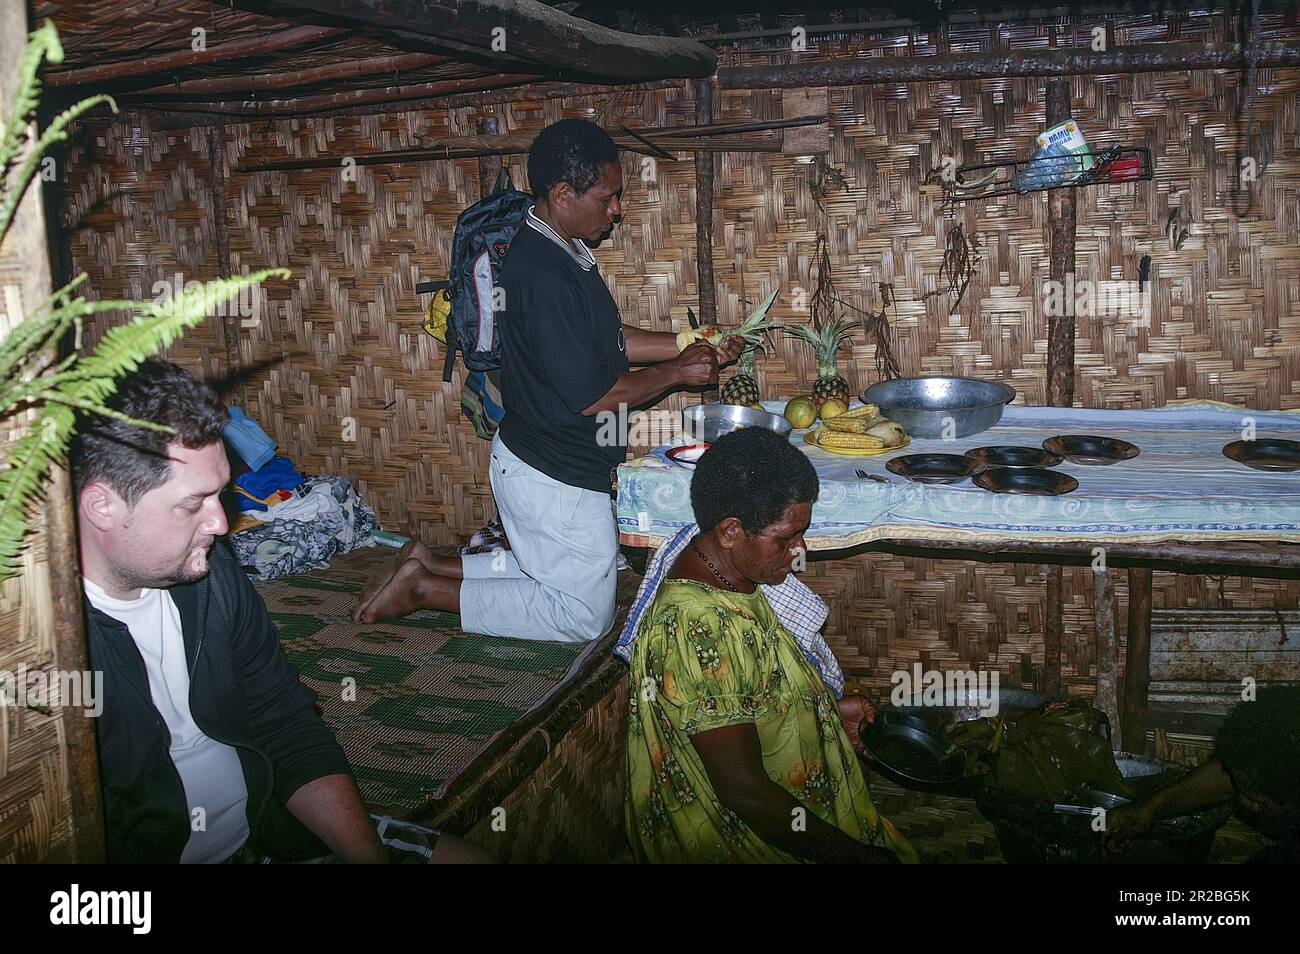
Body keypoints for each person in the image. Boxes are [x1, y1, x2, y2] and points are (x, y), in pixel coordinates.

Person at [72, 359, 488, 863]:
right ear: (102, 507)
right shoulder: (61, 647)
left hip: (268, 825)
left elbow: (282, 720)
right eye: (194, 503)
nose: (222, 523)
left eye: (221, 493)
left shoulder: (209, 573)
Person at [354, 117, 741, 639]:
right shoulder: (543, 273)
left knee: (558, 572)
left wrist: (688, 345)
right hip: (551, 470)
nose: (617, 209)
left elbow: (610, 339)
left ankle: (436, 564)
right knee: (583, 616)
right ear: (563, 194)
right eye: (608, 198)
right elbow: (595, 397)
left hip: (550, 461)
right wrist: (677, 372)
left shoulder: (564, 249)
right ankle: (424, 591)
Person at [623, 427, 917, 863]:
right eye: (785, 538)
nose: (800, 551)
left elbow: (744, 703)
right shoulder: (697, 627)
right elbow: (746, 793)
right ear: (730, 531)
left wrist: (825, 715)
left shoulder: (734, 580)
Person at [1106, 685, 1300, 862]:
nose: (1247, 803)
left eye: (1262, 805)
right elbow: (1226, 774)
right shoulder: (1270, 753)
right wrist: (1148, 809)